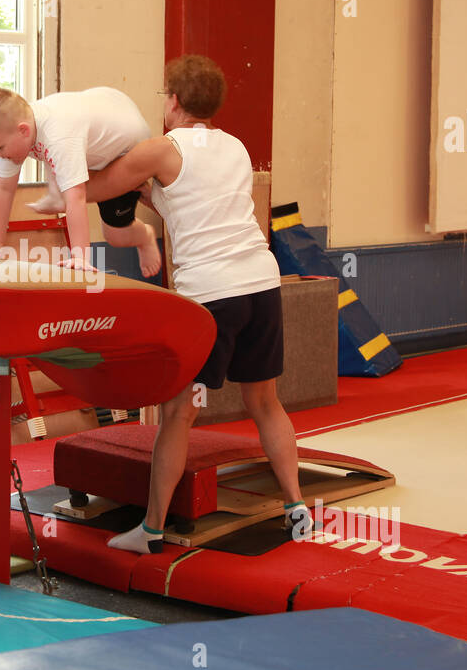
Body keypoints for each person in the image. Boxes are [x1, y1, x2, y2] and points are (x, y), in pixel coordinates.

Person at [79, 55, 312, 553]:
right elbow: (191, 203)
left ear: (174, 100)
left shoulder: (162, 149)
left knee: (179, 412)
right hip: (260, 282)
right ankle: (296, 506)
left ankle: (151, 530)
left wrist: (63, 174)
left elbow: (95, 189)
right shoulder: (237, 147)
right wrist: (147, 194)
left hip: (211, 295)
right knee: (264, 402)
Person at [0, 86, 162, 278]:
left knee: (115, 235)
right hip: (106, 114)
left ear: (23, 131)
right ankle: (57, 195)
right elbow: (3, 188)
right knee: (64, 172)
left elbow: (76, 198)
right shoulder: (18, 127)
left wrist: (80, 258)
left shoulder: (59, 137)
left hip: (129, 147)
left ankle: (145, 236)